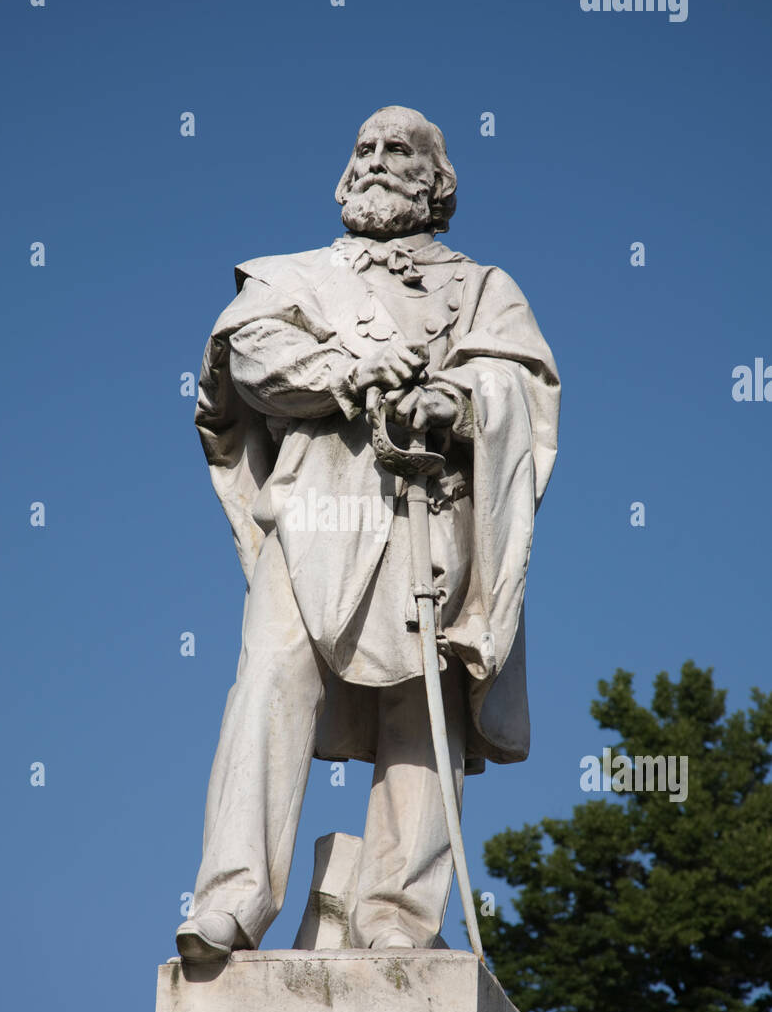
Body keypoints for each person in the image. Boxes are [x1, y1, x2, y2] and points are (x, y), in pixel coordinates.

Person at [176, 105, 560, 961]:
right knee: (271, 677)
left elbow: (524, 387)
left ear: (436, 180)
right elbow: (248, 362)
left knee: (426, 704)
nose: (378, 162)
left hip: (437, 510)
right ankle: (230, 900)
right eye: (365, 148)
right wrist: (348, 371)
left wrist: (458, 400)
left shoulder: (484, 288)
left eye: (400, 150)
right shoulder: (293, 277)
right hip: (314, 507)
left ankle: (396, 918)